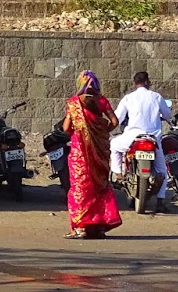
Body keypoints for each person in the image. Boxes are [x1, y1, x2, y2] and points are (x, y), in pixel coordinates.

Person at [61, 70, 122, 239]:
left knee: (80, 189)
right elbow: (114, 122)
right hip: (100, 154)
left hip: (80, 155)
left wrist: (79, 130)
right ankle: (99, 228)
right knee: (100, 186)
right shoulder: (102, 101)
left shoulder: (74, 103)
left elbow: (66, 128)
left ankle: (80, 228)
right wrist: (102, 134)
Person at [110, 70, 171, 209]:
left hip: (133, 137)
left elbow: (118, 118)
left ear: (135, 83)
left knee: (114, 145)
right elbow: (168, 114)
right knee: (161, 169)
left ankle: (118, 175)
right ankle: (160, 201)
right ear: (146, 82)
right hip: (153, 139)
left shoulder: (128, 98)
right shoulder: (156, 97)